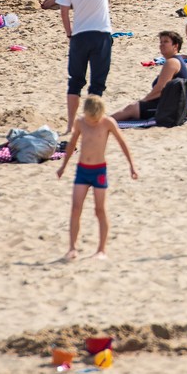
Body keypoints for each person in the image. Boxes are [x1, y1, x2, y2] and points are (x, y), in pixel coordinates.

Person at [55, 94, 139, 260]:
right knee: (76, 208)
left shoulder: (108, 123)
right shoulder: (80, 122)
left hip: (99, 171)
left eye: (95, 120)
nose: (92, 122)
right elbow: (72, 145)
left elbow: (122, 143)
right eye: (90, 119)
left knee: (99, 210)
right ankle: (72, 248)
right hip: (82, 170)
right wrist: (63, 166)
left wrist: (132, 166)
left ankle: (101, 250)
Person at [56, 0, 124, 128]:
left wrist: (69, 33)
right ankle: (91, 123)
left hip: (79, 35)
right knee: (97, 82)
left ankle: (71, 125)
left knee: (75, 82)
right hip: (100, 33)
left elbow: (63, 11)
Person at [110, 30, 187, 128]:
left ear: (175, 46)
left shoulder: (172, 62)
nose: (162, 45)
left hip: (174, 109)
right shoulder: (175, 61)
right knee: (134, 108)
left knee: (132, 108)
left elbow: (160, 89)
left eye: (166, 41)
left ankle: (102, 122)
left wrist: (144, 100)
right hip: (176, 105)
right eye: (161, 42)